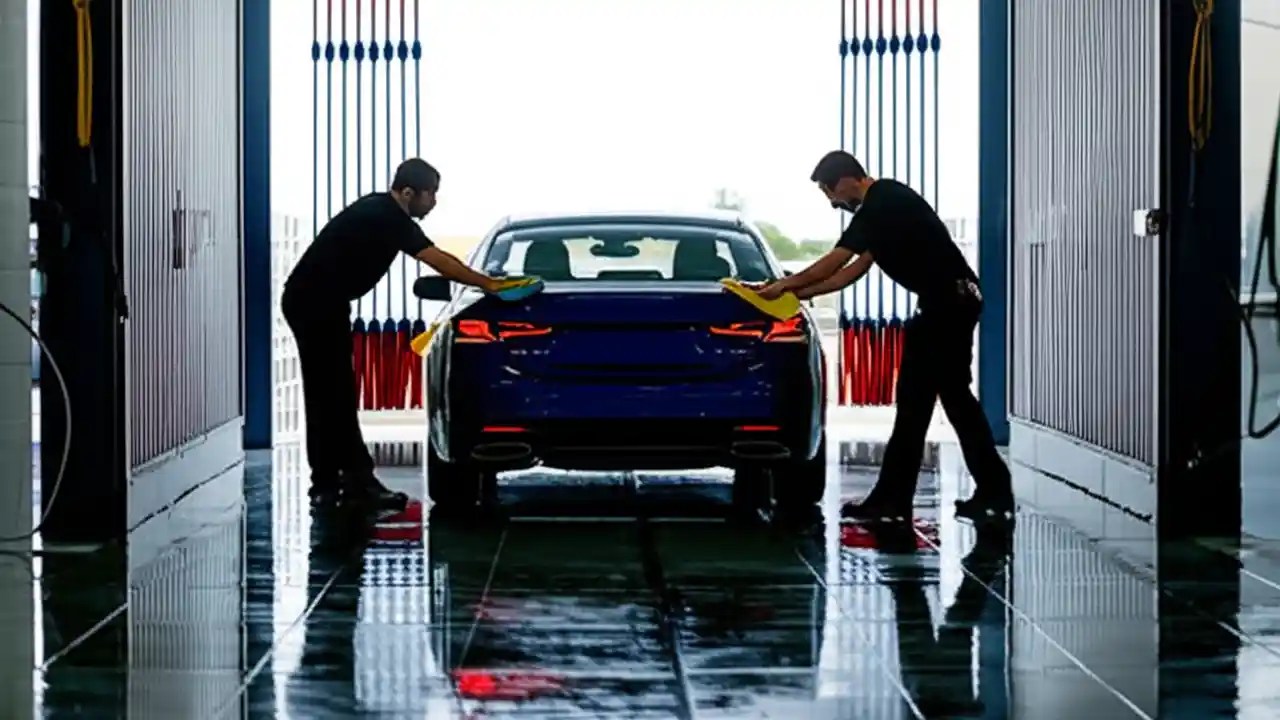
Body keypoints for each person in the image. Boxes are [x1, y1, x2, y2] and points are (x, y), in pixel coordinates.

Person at [755, 150, 1014, 522]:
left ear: (845, 180)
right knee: (923, 401)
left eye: (830, 192)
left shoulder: (882, 203)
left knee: (943, 401)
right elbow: (850, 272)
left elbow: (836, 259)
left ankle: (960, 494)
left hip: (947, 306)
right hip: (948, 304)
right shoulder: (886, 207)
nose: (832, 202)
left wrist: (783, 285)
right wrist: (793, 294)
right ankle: (915, 498)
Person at [282, 158, 502, 513]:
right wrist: (489, 284)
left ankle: (339, 482)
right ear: (409, 192)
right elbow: (439, 261)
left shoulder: (380, 210)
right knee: (331, 393)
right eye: (431, 195)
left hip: (319, 301)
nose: (433, 203)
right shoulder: (388, 217)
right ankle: (344, 482)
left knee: (331, 393)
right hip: (314, 303)